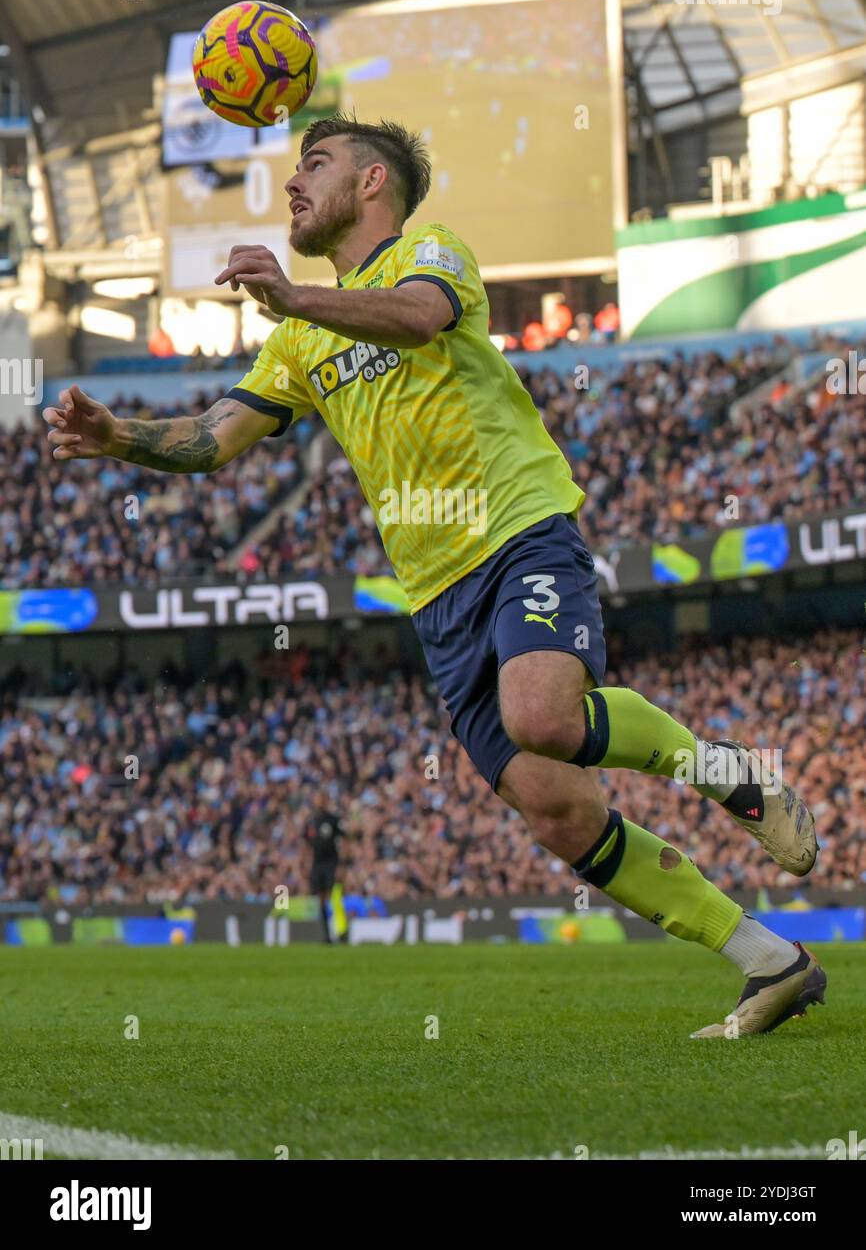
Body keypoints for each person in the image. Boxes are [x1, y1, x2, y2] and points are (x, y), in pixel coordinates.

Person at [43, 113, 825, 1037]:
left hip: (518, 529)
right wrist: (119, 439)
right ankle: (771, 963)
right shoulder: (297, 344)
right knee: (558, 807)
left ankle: (732, 774)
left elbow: (418, 317)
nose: (294, 184)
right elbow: (215, 439)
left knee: (543, 715)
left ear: (374, 183)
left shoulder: (432, 253)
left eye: (315, 165)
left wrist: (295, 299)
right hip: (436, 597)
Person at [305, 792, 343, 943]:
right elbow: (305, 844)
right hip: (317, 864)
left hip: (331, 863)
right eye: (317, 799)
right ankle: (326, 934)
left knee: (333, 897)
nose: (319, 802)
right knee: (320, 899)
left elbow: (343, 840)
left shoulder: (333, 820)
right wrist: (305, 863)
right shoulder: (310, 821)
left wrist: (343, 864)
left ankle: (340, 931)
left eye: (322, 799)